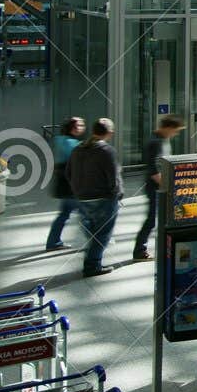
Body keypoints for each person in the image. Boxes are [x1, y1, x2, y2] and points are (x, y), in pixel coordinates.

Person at [66, 118, 122, 277]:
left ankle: (91, 256)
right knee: (103, 234)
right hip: (103, 198)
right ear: (109, 133)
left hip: (82, 197)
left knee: (92, 231)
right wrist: (116, 195)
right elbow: (113, 177)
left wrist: (77, 190)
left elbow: (68, 173)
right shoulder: (107, 151)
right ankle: (92, 265)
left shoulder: (78, 148)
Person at [135, 115, 184, 261]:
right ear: (168, 128)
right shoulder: (155, 142)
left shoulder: (161, 140)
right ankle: (139, 250)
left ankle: (148, 248)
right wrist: (169, 187)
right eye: (175, 131)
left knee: (156, 218)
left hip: (159, 186)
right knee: (151, 219)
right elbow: (154, 170)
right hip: (156, 187)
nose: (176, 134)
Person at [46, 116, 86, 251]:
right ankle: (96, 240)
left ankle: (53, 242)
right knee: (86, 214)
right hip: (73, 186)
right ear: (72, 128)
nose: (82, 127)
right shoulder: (72, 144)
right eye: (79, 125)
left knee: (64, 214)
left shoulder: (61, 140)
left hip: (65, 186)